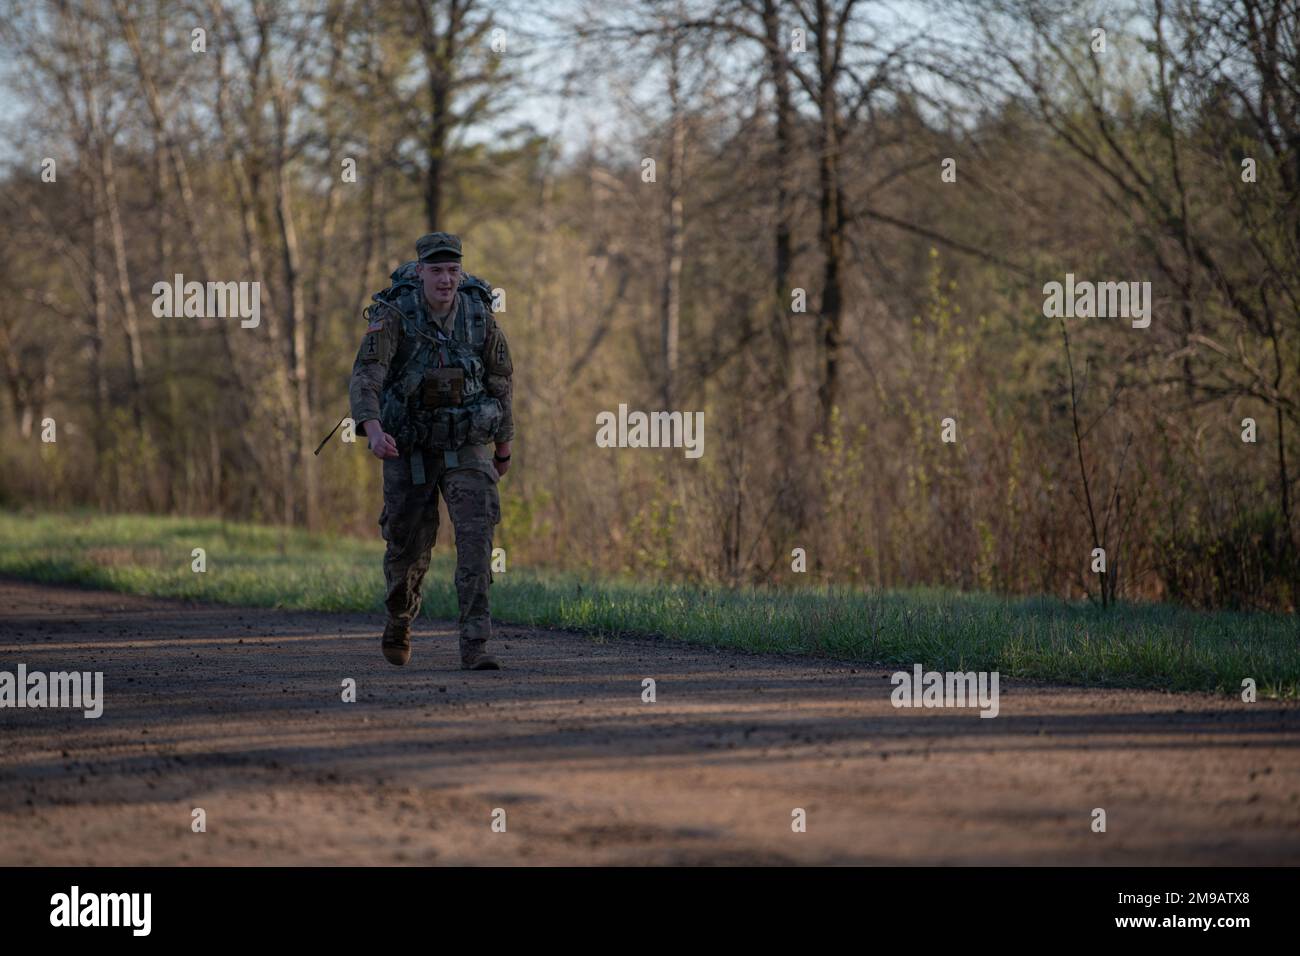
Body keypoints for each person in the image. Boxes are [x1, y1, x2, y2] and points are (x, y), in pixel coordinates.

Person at [348, 232, 514, 670]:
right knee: (407, 548)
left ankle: (475, 644)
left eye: (452, 270)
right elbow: (367, 374)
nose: (445, 279)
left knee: (477, 543)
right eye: (437, 270)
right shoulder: (395, 314)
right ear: (420, 271)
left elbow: (501, 379)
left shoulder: (479, 314)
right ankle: (400, 617)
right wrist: (374, 428)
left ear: (461, 273)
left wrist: (504, 446)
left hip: (467, 444)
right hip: (409, 445)